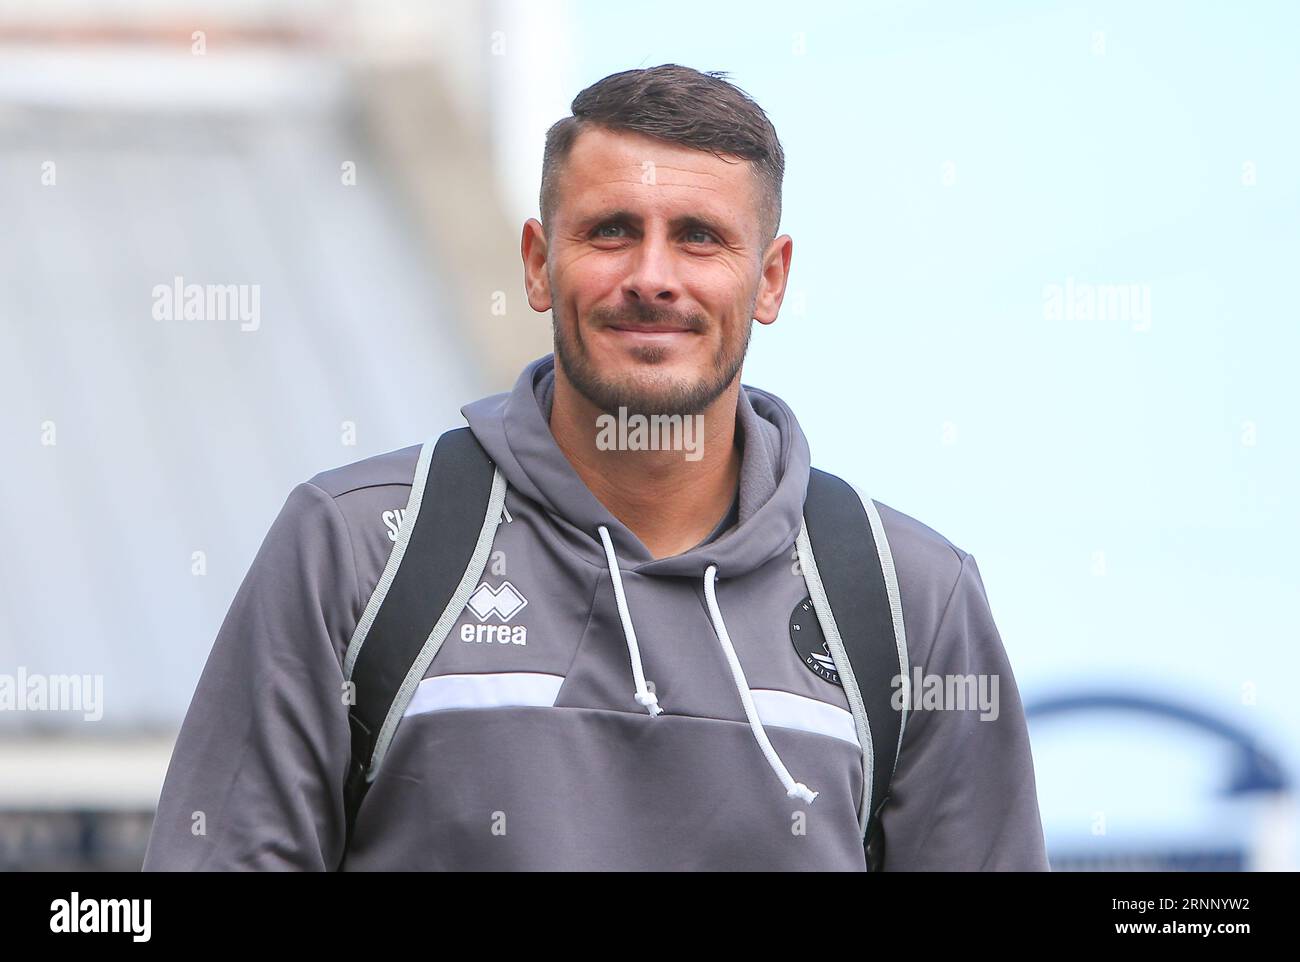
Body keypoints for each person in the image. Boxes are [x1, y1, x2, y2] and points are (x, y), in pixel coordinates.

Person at [143, 64, 1049, 871]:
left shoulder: (907, 603)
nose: (653, 276)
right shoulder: (359, 552)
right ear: (539, 264)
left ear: (770, 279)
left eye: (699, 236)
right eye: (612, 230)